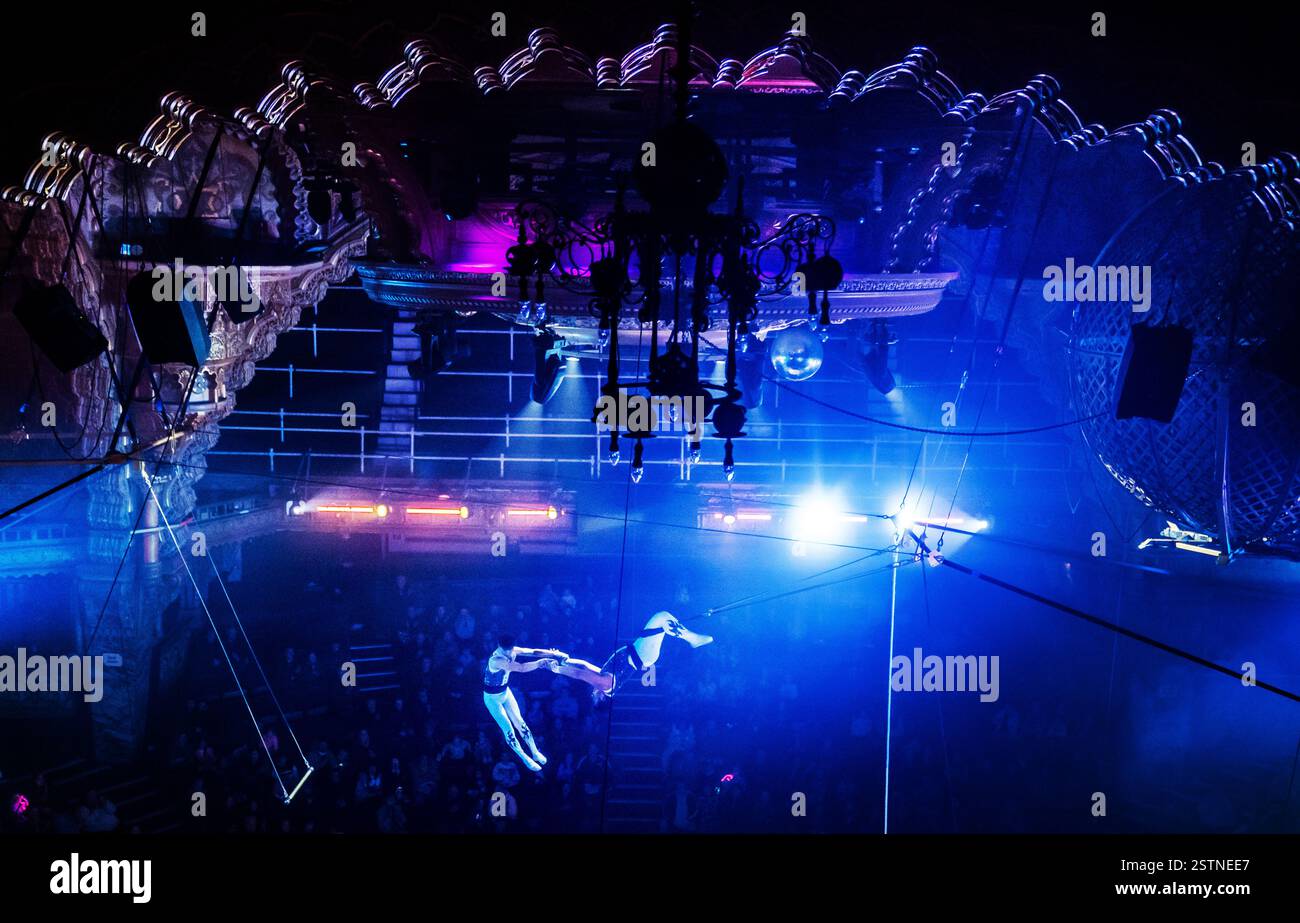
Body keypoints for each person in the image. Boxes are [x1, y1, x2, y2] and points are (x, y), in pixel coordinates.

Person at [546, 611, 712, 701]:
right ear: (598, 696)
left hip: (639, 649)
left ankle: (692, 638)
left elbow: (582, 666)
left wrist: (563, 659)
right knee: (662, 618)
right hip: (642, 654)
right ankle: (694, 639)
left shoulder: (602, 675)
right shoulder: (605, 685)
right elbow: (579, 674)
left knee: (663, 619)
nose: (591, 689)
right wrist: (558, 670)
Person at [482, 635, 564, 771]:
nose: (508, 653)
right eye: (506, 650)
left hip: (505, 692)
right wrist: (540, 662)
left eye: (510, 650)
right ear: (499, 647)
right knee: (508, 730)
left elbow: (532, 652)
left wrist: (552, 653)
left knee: (520, 723)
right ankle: (524, 757)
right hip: (492, 699)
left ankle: (535, 752)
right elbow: (521, 667)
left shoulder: (513, 650)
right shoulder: (496, 660)